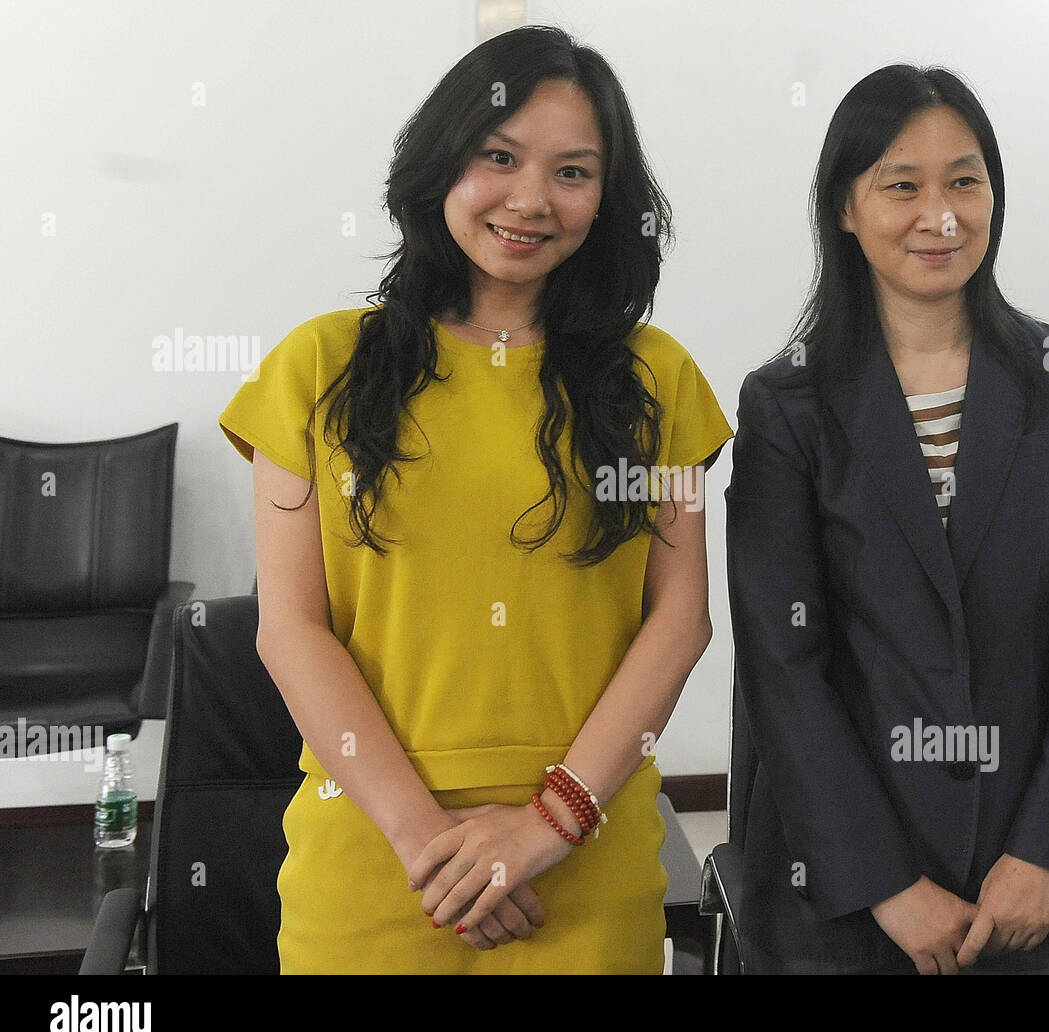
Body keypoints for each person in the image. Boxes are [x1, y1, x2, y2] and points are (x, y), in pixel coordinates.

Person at [218, 25, 733, 974]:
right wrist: (433, 847)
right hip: (374, 862)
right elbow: (290, 630)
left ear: (606, 198)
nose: (531, 199)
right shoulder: (315, 368)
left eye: (573, 172)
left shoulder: (659, 380)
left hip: (586, 856)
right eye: (500, 156)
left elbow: (681, 620)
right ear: (442, 161)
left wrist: (547, 824)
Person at [725, 64, 1049, 974]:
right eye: (901, 185)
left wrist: (1045, 852)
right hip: (842, 890)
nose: (941, 214)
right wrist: (885, 883)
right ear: (845, 207)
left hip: (1041, 884)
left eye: (965, 180)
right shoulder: (786, 404)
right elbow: (782, 666)